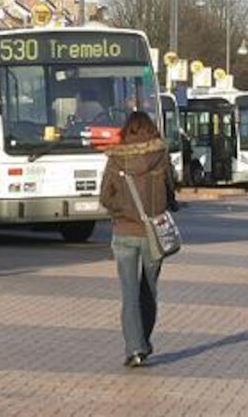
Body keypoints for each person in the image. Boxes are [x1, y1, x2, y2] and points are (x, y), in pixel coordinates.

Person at [99, 111, 175, 369]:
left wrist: (120, 210)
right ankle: (143, 340)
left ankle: (135, 348)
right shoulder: (161, 155)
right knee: (149, 291)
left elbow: (105, 197)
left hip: (123, 233)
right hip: (154, 233)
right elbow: (171, 192)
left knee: (129, 294)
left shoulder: (116, 159)